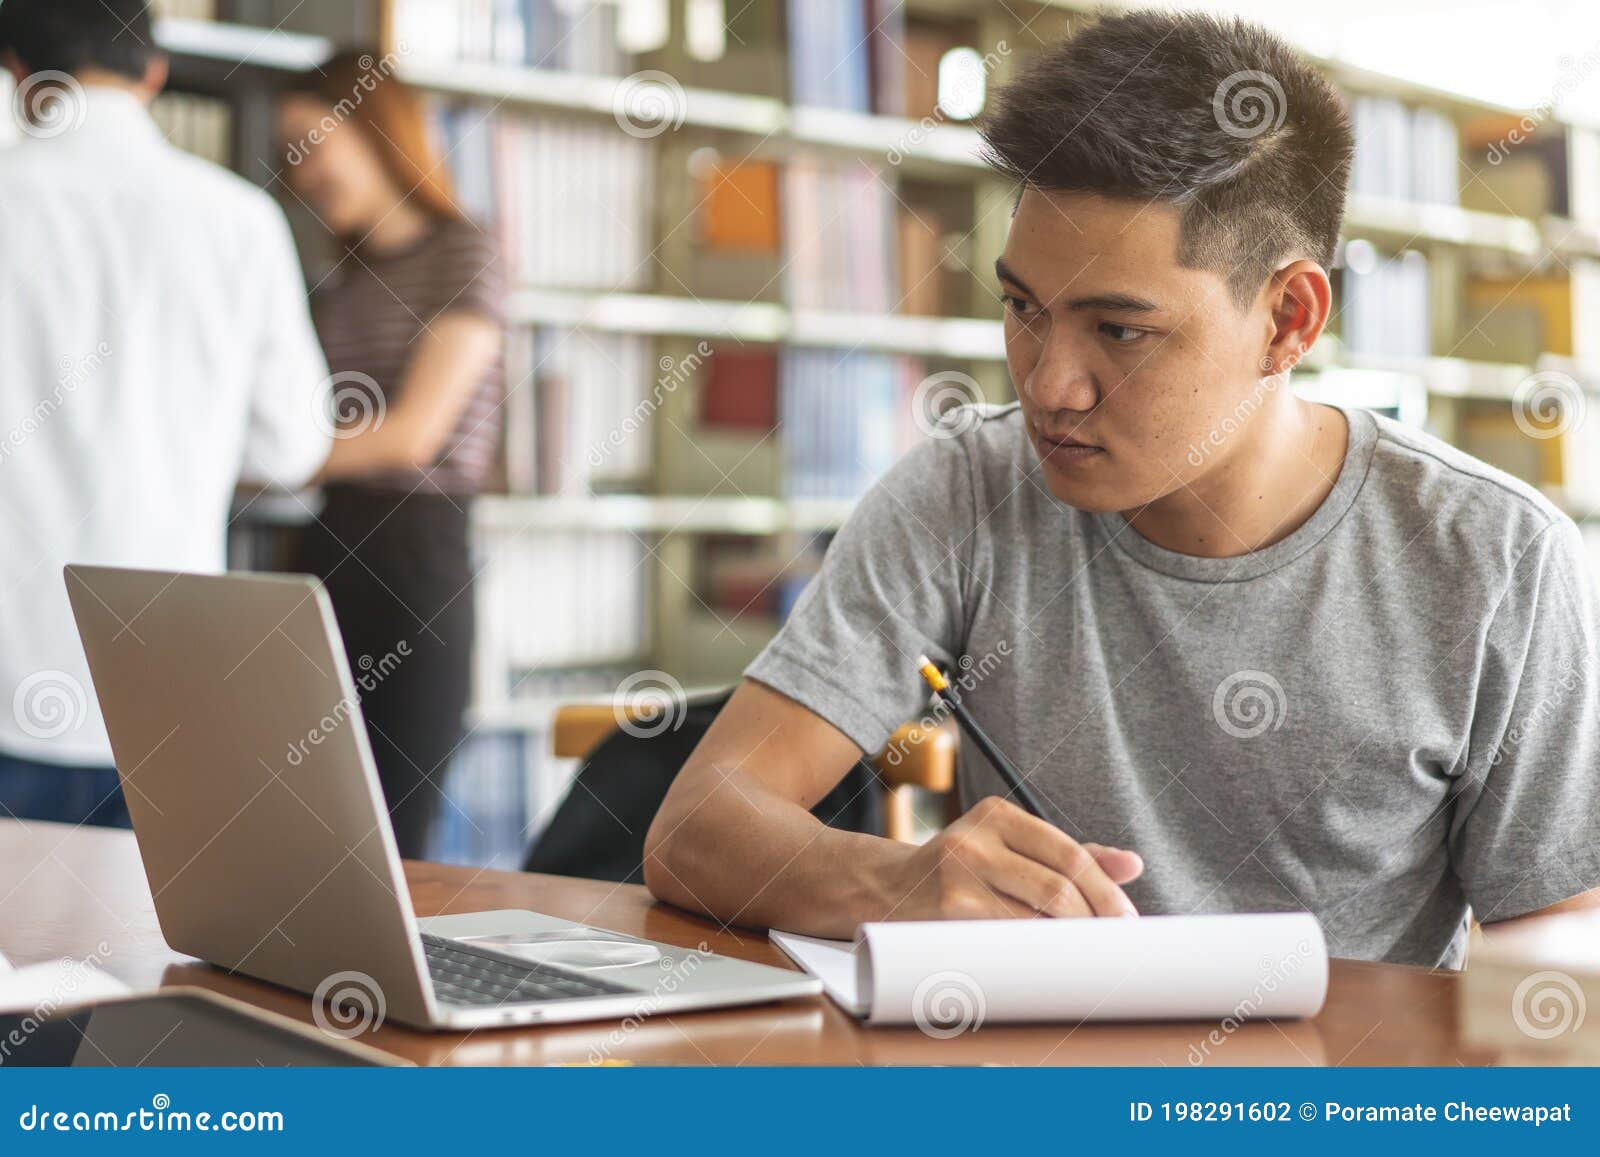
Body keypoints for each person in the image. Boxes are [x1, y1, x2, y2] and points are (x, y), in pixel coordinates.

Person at [644, 10, 1600, 968]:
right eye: (1023, 308)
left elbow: (1563, 984)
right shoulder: (967, 489)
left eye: (1120, 330)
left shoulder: (1499, 562)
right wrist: (897, 882)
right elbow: (695, 829)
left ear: (1288, 319)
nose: (1048, 385)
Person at [0, 0, 331, 826]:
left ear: (14, 72)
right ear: (153, 73)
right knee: (147, 954)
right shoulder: (240, 220)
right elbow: (293, 447)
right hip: (163, 691)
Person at [276, 52, 506, 858]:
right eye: (290, 154)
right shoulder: (340, 279)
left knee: (393, 838)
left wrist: (273, 458)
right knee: (305, 831)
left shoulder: (464, 251)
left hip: (416, 563)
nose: (303, 173)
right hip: (325, 547)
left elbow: (415, 434)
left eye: (314, 145)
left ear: (376, 131)